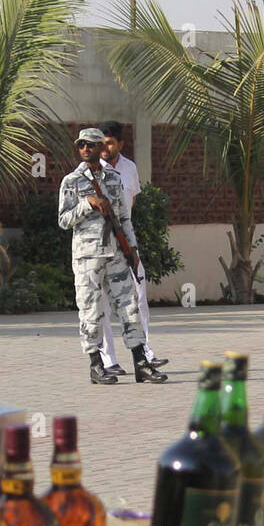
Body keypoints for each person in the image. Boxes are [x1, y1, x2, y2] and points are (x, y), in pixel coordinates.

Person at [57, 128, 167, 385]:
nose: (85, 149)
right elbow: (63, 220)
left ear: (100, 148)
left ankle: (141, 363)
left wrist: (133, 251)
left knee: (130, 307)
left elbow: (124, 219)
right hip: (88, 257)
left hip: (116, 254)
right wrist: (88, 204)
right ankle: (96, 365)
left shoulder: (115, 179)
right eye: (81, 145)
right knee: (91, 310)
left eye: (90, 145)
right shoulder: (71, 182)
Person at [98, 120, 167, 375]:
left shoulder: (130, 168)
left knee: (138, 296)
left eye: (109, 143)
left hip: (126, 241)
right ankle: (108, 360)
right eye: (101, 143)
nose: (104, 148)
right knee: (103, 302)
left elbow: (131, 202)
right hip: (101, 245)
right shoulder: (89, 170)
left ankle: (145, 351)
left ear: (120, 144)